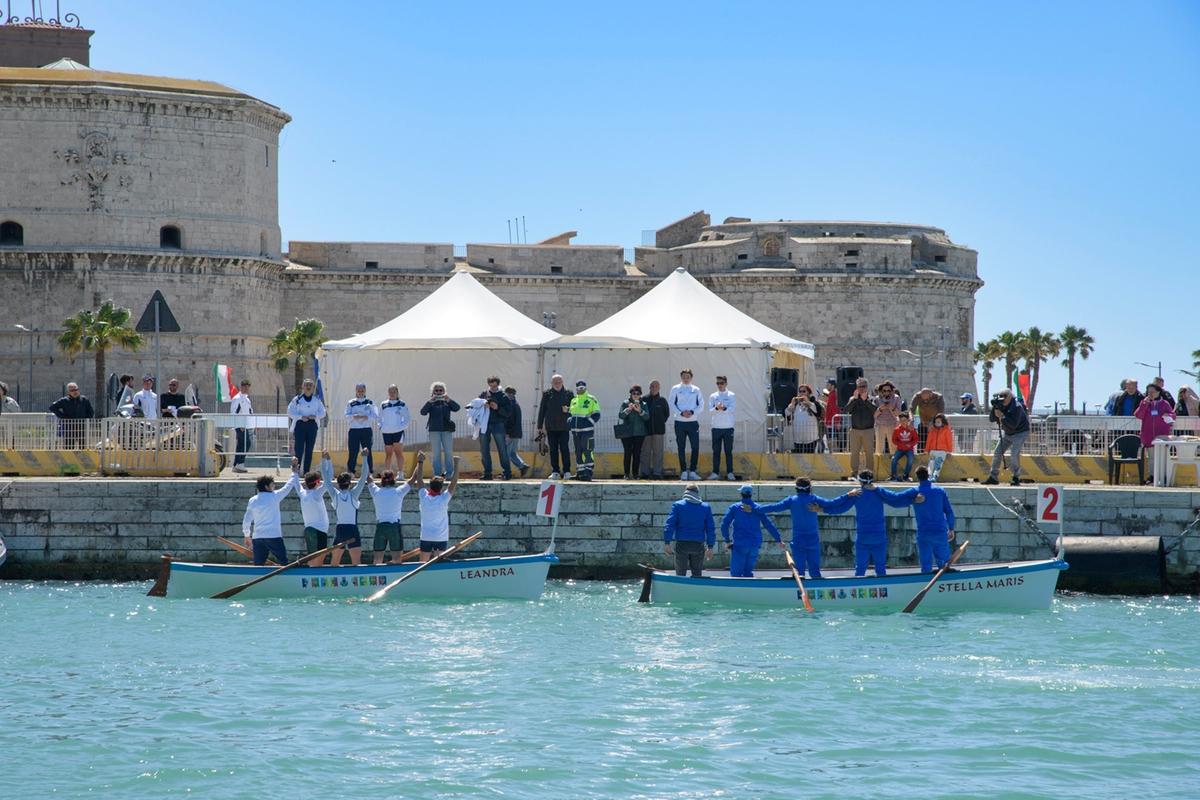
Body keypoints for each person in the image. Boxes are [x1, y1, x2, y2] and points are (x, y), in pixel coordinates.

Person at [821, 470, 920, 577]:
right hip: (879, 536)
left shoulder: (856, 494)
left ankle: (858, 589)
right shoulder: (879, 492)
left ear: (860, 481)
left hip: (863, 536)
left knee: (860, 569)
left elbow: (839, 508)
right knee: (881, 569)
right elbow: (895, 500)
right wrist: (913, 500)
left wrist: (822, 509)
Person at [760, 476, 842, 579]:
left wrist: (755, 508)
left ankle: (797, 590)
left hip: (798, 540)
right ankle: (816, 589)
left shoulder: (791, 500)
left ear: (796, 488)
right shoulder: (814, 499)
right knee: (815, 572)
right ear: (809, 488)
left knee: (799, 572)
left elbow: (774, 507)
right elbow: (833, 503)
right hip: (813, 540)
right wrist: (848, 495)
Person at [720, 484, 785, 577]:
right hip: (754, 544)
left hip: (740, 544)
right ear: (751, 494)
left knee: (735, 574)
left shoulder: (735, 508)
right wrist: (778, 540)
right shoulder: (758, 508)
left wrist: (727, 540)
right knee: (748, 573)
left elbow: (724, 525)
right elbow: (769, 525)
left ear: (741, 494)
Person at [366, 458, 421, 565]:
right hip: (394, 527)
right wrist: (419, 462)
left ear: (382, 480)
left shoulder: (376, 491)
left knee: (377, 560)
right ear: (393, 480)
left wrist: (365, 458)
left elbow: (368, 477)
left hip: (381, 527)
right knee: (397, 559)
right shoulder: (398, 491)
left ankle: (376, 578)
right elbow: (414, 478)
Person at [241, 470, 299, 566]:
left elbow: (247, 520)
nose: (274, 487)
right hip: (273, 536)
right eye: (272, 485)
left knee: (258, 565)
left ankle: (259, 579)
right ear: (266, 487)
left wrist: (247, 535)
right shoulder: (275, 496)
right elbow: (288, 486)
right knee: (283, 562)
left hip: (258, 537)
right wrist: (294, 471)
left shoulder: (252, 500)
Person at [413, 451, 462, 561]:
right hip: (440, 538)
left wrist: (420, 461)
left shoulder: (423, 496)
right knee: (441, 566)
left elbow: (419, 479)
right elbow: (453, 483)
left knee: (422, 564)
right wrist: (456, 463)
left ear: (430, 486)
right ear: (441, 488)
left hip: (426, 537)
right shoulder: (444, 499)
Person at [662, 482, 715, 577]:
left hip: (682, 544)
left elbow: (670, 525)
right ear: (697, 493)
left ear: (686, 492)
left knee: (680, 575)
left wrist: (667, 543)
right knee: (697, 575)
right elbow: (710, 528)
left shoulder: (678, 505)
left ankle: (680, 590)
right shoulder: (705, 507)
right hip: (698, 545)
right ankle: (696, 590)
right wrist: (710, 547)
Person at [912, 465, 956, 572]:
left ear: (917, 477)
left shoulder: (914, 493)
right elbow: (949, 511)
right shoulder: (940, 491)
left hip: (924, 534)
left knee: (926, 565)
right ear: (928, 475)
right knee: (945, 564)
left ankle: (925, 581)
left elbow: (896, 499)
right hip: (940, 532)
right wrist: (951, 528)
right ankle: (946, 584)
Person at [984, 388, 1030, 486]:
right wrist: (995, 409)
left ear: (1010, 396)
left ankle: (1016, 477)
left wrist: (1002, 416)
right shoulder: (1000, 404)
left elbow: (1013, 424)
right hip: (1008, 433)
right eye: (1001, 396)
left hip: (1020, 432)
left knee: (1014, 454)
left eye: (1005, 396)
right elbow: (992, 419)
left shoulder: (1017, 407)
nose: (1003, 399)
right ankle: (993, 477)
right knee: (997, 452)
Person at [297, 450, 334, 564]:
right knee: (319, 560)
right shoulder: (317, 494)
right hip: (319, 531)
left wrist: (294, 468)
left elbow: (295, 481)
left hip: (308, 530)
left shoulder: (302, 493)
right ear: (317, 482)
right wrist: (327, 460)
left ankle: (310, 577)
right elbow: (330, 477)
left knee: (311, 558)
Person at [329, 460, 368, 566]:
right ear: (350, 484)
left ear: (338, 483)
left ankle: (332, 579)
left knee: (334, 563)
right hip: (352, 530)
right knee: (356, 563)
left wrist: (326, 460)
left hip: (340, 531)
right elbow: (364, 475)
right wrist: (365, 458)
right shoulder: (354, 494)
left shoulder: (334, 495)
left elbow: (326, 480)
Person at [1135, 384, 1175, 484]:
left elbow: (1173, 415)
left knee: (1164, 456)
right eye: (1148, 392)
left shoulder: (1165, 403)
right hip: (1148, 435)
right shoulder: (1144, 402)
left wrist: (1168, 415)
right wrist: (1144, 404)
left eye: (1152, 391)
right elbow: (1138, 415)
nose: (1150, 394)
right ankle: (1153, 476)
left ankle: (1165, 476)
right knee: (1152, 457)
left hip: (1162, 435)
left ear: (1158, 392)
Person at [420, 381, 460, 478]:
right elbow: (423, 412)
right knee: (436, 453)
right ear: (433, 392)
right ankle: (437, 474)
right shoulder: (431, 403)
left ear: (444, 391)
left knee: (448, 452)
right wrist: (430, 402)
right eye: (436, 390)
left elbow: (457, 408)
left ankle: (449, 473)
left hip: (446, 431)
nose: (438, 392)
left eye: (441, 390)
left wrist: (449, 400)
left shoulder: (447, 402)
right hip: (434, 431)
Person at [669, 368, 703, 480]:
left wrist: (692, 412)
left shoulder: (696, 389)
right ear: (681, 377)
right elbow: (671, 404)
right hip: (680, 422)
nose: (686, 379)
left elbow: (701, 405)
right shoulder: (675, 388)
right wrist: (681, 413)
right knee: (681, 447)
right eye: (684, 376)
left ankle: (693, 471)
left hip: (693, 423)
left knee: (695, 447)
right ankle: (683, 471)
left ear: (691, 377)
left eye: (688, 377)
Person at [537, 374, 573, 480]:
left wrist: (569, 409)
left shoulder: (569, 394)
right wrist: (540, 425)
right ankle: (555, 471)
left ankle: (567, 471)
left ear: (562, 382)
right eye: (555, 382)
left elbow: (575, 408)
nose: (557, 384)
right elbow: (542, 410)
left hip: (564, 427)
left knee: (565, 449)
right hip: (551, 427)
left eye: (559, 382)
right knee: (553, 449)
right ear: (552, 383)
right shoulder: (547, 394)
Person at [287, 378, 325, 473]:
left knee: (309, 450)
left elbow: (323, 412)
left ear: (313, 388)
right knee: (298, 449)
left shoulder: (317, 400)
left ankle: (307, 472)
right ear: (302, 387)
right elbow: (290, 412)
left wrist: (315, 416)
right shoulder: (297, 399)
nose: (308, 387)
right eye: (306, 385)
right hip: (300, 425)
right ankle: (296, 471)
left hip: (312, 426)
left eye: (310, 385)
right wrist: (300, 417)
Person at [478, 376, 512, 481]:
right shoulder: (483, 395)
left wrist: (497, 408)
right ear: (488, 384)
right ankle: (487, 473)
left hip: (498, 424)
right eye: (491, 384)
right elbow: (475, 407)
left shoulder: (503, 396)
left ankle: (507, 472)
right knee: (484, 450)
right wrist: (483, 406)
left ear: (497, 384)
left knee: (502, 449)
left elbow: (508, 412)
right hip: (485, 424)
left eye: (495, 384)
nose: (493, 386)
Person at [568, 380, 601, 481]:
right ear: (576, 389)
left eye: (582, 388)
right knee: (578, 452)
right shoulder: (573, 400)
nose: (580, 390)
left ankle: (588, 472)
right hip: (576, 431)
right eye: (579, 388)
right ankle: (580, 473)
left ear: (585, 388)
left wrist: (588, 422)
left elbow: (597, 414)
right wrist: (569, 420)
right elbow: (571, 414)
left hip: (587, 431)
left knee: (588, 451)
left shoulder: (591, 399)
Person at [844, 378, 876, 479]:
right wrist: (855, 399)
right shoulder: (852, 399)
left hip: (868, 430)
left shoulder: (871, 398)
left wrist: (865, 400)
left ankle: (870, 473)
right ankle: (854, 473)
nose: (861, 389)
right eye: (859, 386)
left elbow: (875, 410)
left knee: (869, 453)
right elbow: (847, 410)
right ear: (856, 388)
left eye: (863, 386)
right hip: (855, 430)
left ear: (867, 387)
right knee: (854, 453)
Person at [639, 380, 670, 479]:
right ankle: (645, 473)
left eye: (656, 386)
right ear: (649, 387)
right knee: (645, 452)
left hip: (659, 431)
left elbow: (666, 414)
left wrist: (659, 423)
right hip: (646, 431)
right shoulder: (643, 400)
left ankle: (657, 473)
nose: (654, 388)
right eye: (652, 386)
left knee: (658, 452)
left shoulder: (663, 401)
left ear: (659, 388)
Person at [345, 382, 378, 476]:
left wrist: (366, 417)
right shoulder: (351, 402)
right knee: (353, 451)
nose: (360, 392)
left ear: (365, 391)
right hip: (354, 430)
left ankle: (369, 472)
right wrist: (354, 416)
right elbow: (346, 415)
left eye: (362, 391)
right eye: (358, 391)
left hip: (366, 429)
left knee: (368, 451)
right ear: (356, 391)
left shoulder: (370, 402)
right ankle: (350, 471)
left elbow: (375, 415)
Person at [618, 384, 650, 479]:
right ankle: (626, 474)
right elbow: (621, 415)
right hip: (627, 433)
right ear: (631, 394)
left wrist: (640, 411)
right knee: (627, 453)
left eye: (638, 393)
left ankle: (635, 474)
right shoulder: (625, 403)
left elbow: (647, 417)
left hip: (639, 433)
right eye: (634, 393)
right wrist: (628, 409)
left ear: (640, 395)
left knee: (637, 454)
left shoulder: (644, 404)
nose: (636, 395)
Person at [48, 382, 94, 449]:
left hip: (82, 426)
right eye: (72, 390)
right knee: (69, 447)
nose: (75, 392)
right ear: (69, 392)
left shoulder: (84, 400)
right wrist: (63, 417)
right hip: (69, 427)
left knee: (83, 446)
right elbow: (52, 407)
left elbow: (91, 412)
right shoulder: (64, 400)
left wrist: (85, 419)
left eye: (76, 389)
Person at [708, 376, 737, 480]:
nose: (720, 385)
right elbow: (710, 411)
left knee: (728, 451)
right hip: (716, 427)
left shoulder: (731, 395)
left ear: (726, 383)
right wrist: (717, 408)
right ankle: (715, 472)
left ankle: (730, 472)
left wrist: (723, 408)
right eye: (718, 383)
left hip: (728, 427)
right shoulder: (713, 396)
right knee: (716, 451)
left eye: (722, 383)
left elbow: (732, 409)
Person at [379, 383, 410, 476]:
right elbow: (379, 418)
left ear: (397, 392)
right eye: (390, 391)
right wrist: (381, 427)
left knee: (398, 452)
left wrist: (401, 427)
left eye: (394, 391)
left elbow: (407, 418)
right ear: (388, 392)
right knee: (388, 454)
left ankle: (400, 473)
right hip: (387, 432)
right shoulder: (383, 404)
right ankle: (387, 474)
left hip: (398, 432)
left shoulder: (402, 404)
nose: (392, 393)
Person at [503, 386, 531, 478]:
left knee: (506, 454)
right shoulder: (516, 404)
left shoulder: (510, 405)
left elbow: (509, 420)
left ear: (508, 393)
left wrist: (507, 432)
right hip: (517, 433)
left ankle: (507, 472)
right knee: (512, 453)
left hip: (510, 433)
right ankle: (522, 466)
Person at [785, 384, 822, 453]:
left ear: (808, 392)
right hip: (797, 438)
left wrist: (807, 402)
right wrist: (792, 404)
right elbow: (787, 413)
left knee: (810, 458)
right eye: (800, 391)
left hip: (811, 438)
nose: (801, 393)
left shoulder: (814, 402)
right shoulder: (796, 403)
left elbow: (817, 411)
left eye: (804, 391)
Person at [909, 387, 945, 452]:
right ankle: (921, 456)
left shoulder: (939, 397)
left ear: (931, 395)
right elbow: (911, 410)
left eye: (927, 399)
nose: (925, 401)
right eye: (923, 400)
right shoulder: (917, 396)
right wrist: (911, 420)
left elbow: (941, 412)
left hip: (935, 425)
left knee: (934, 443)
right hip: (923, 423)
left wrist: (932, 422)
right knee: (921, 444)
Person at [230, 379, 254, 473]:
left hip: (246, 425)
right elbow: (234, 412)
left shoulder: (247, 400)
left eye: (248, 387)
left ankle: (236, 465)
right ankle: (240, 463)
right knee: (246, 443)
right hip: (239, 426)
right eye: (245, 387)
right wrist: (239, 424)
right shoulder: (237, 398)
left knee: (241, 445)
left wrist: (254, 423)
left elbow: (250, 412)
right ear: (242, 387)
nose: (247, 389)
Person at [873, 380, 902, 455]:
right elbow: (874, 415)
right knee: (879, 449)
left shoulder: (897, 398)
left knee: (893, 448)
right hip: (880, 426)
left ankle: (894, 465)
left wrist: (891, 408)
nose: (886, 392)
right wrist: (880, 409)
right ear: (881, 391)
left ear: (892, 391)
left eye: (888, 390)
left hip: (892, 425)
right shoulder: (876, 399)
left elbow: (898, 413)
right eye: (884, 390)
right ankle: (878, 466)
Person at [925, 413, 954, 481]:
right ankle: (929, 476)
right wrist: (927, 450)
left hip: (942, 451)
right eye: (935, 422)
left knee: (938, 464)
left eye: (938, 422)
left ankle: (935, 476)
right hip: (933, 451)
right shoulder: (932, 430)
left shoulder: (947, 430)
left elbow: (949, 441)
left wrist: (949, 451)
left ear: (943, 422)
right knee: (931, 463)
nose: (936, 423)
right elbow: (929, 440)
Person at [890, 412, 918, 481]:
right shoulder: (896, 430)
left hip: (909, 449)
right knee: (894, 459)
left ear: (908, 420)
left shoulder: (912, 429)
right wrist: (900, 444)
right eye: (901, 420)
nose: (903, 422)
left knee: (910, 459)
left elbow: (916, 439)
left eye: (904, 420)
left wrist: (910, 444)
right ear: (899, 421)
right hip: (900, 449)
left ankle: (906, 476)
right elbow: (894, 440)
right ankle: (894, 476)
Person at [822, 379, 840, 452]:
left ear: (832, 386)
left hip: (832, 423)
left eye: (828, 384)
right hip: (831, 422)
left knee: (832, 442)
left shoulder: (832, 395)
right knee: (830, 441)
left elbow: (835, 409)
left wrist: (837, 421)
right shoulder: (832, 394)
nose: (827, 386)